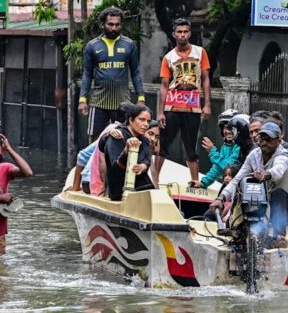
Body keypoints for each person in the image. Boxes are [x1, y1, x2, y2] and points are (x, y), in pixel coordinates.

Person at [209, 122, 288, 247]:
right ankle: (237, 232)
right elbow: (237, 179)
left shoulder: (284, 155)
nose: (264, 142)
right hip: (266, 207)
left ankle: (278, 237)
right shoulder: (253, 156)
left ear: (278, 140)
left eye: (269, 139)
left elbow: (278, 171)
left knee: (277, 193)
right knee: (244, 189)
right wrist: (221, 198)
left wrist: (265, 174)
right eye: (262, 138)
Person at [155, 18, 212, 183]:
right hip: (172, 105)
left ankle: (194, 181)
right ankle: (155, 181)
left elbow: (206, 79)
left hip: (192, 106)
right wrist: (160, 112)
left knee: (190, 145)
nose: (182, 35)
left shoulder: (200, 52)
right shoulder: (168, 57)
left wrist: (207, 104)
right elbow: (164, 85)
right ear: (174, 34)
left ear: (190, 33)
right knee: (163, 144)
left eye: (185, 31)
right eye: (179, 32)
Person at [78, 7, 146, 143]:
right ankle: (94, 164)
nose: (114, 28)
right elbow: (87, 74)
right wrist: (82, 100)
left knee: (125, 139)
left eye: (117, 24)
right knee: (95, 141)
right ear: (103, 24)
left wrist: (141, 98)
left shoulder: (129, 44)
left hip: (123, 103)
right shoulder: (92, 46)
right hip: (98, 102)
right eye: (110, 24)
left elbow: (135, 72)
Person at [103, 104, 154, 201]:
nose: (146, 124)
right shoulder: (118, 136)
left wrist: (142, 167)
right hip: (121, 192)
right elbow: (115, 170)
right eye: (141, 119)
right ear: (131, 120)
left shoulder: (144, 140)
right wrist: (126, 151)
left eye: (148, 121)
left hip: (142, 188)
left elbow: (147, 161)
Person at [191, 109, 240, 189]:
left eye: (231, 128)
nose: (228, 131)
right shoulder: (226, 146)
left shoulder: (240, 145)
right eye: (226, 128)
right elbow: (217, 168)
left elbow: (230, 168)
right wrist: (203, 183)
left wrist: (212, 152)